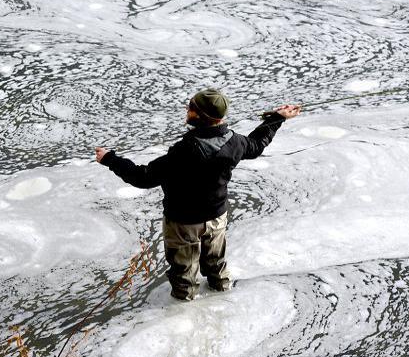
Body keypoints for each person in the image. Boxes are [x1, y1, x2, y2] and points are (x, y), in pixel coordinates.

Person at [95, 89, 302, 301]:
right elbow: (257, 145)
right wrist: (278, 118)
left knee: (184, 276)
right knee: (216, 267)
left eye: (190, 107)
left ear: (198, 115)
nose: (187, 109)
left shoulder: (184, 151)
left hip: (183, 224)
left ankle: (184, 312)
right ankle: (224, 300)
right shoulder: (236, 142)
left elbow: (143, 177)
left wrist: (110, 159)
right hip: (216, 219)